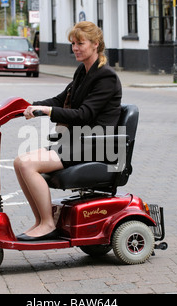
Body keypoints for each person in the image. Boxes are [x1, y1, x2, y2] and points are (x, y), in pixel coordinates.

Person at [14, 21, 122, 241]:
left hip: (97, 145)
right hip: (78, 142)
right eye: (73, 43)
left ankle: (48, 224)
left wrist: (47, 111)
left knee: (27, 164)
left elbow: (84, 114)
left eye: (80, 43)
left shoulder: (106, 77)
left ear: (95, 44)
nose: (75, 48)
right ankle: (40, 221)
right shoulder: (83, 71)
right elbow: (62, 100)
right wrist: (30, 106)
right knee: (19, 162)